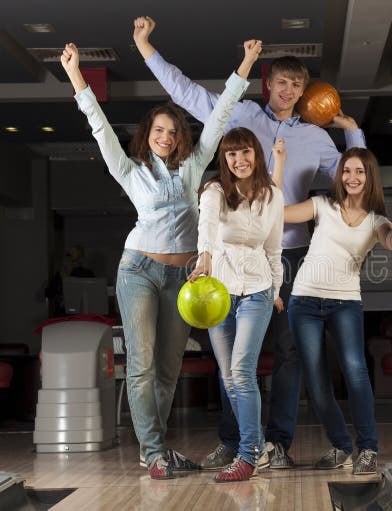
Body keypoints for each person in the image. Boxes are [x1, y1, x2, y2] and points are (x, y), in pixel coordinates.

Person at [133, 15, 367, 470]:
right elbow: (185, 92)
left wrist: (351, 129)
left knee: (289, 352)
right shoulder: (237, 115)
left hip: (293, 253)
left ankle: (276, 443)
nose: (287, 91)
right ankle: (235, 439)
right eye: (281, 82)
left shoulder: (317, 138)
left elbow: (351, 180)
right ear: (268, 83)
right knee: (231, 354)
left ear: (304, 92)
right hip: (229, 255)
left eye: (296, 85)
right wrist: (145, 47)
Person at [59, 38, 259, 480]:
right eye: (158, 131)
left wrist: (245, 62)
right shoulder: (129, 169)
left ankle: (158, 450)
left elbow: (222, 111)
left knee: (168, 369)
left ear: (181, 136)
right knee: (142, 363)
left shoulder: (193, 166)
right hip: (139, 272)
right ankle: (152, 453)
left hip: (182, 277)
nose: (166, 137)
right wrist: (76, 74)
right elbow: (98, 125)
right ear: (147, 136)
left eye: (173, 131)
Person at [273, 147, 392, 475]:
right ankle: (341, 446)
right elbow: (276, 213)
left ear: (369, 177)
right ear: (340, 176)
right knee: (317, 384)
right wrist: (278, 165)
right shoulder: (322, 205)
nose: (352, 177)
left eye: (359, 171)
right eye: (347, 171)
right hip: (303, 302)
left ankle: (367, 449)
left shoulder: (378, 221)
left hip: (345, 302)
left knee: (356, 373)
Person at [189, 131, 284, 482]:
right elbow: (207, 225)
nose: (239, 160)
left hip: (257, 292)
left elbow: (274, 249)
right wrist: (204, 258)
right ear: (224, 160)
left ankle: (248, 456)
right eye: (231, 155)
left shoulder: (273, 195)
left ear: (255, 154)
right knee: (229, 378)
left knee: (242, 373)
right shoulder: (214, 191)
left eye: (245, 152)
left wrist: (276, 288)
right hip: (219, 294)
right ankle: (258, 448)